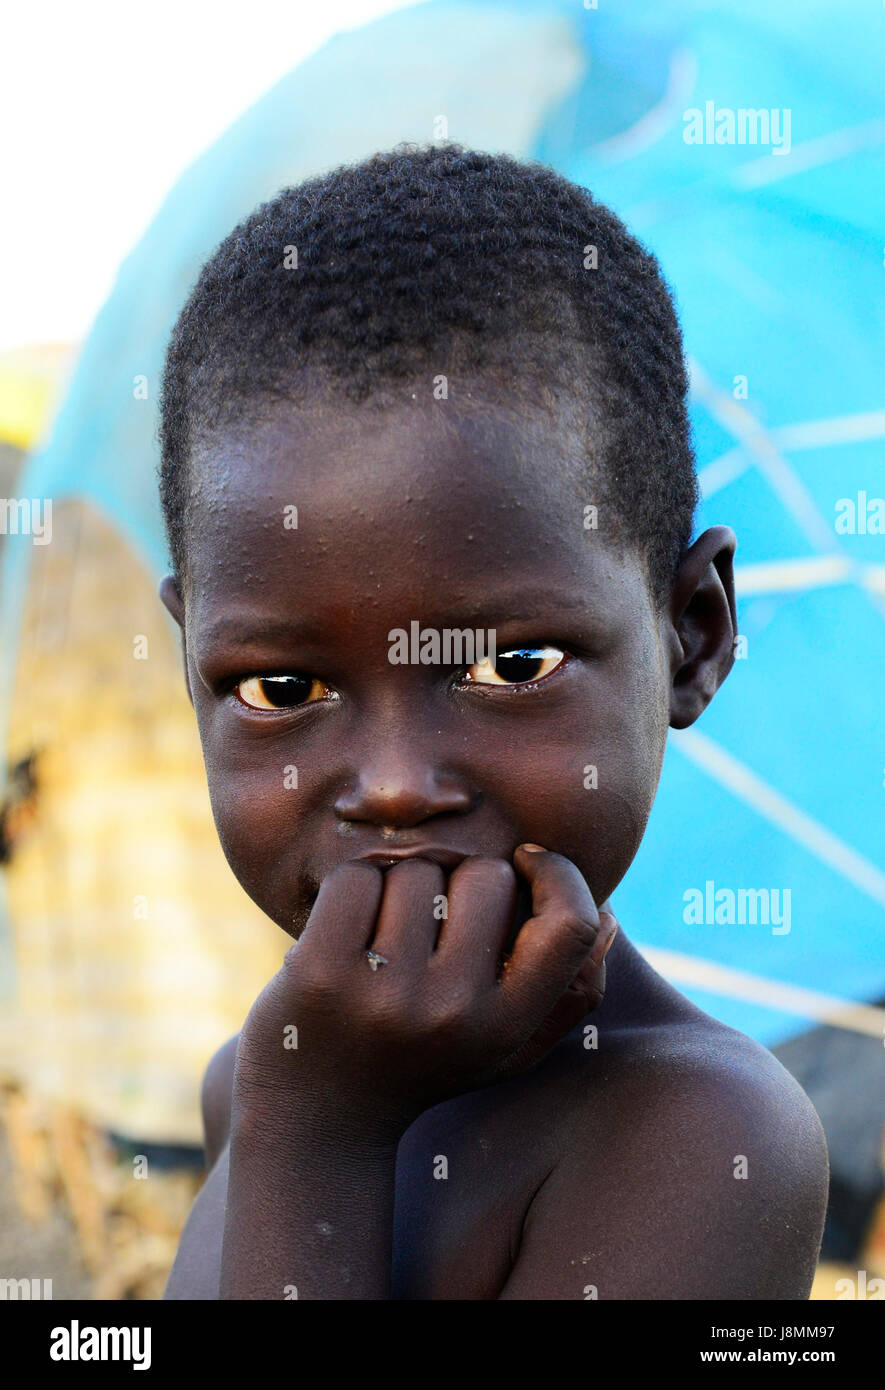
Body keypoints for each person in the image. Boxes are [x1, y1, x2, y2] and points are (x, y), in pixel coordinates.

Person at [157, 142, 828, 1299]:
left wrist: (320, 1136)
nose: (397, 783)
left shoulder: (705, 1138)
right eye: (281, 689)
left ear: (696, 633)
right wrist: (300, 1111)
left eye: (515, 664)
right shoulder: (253, 1085)